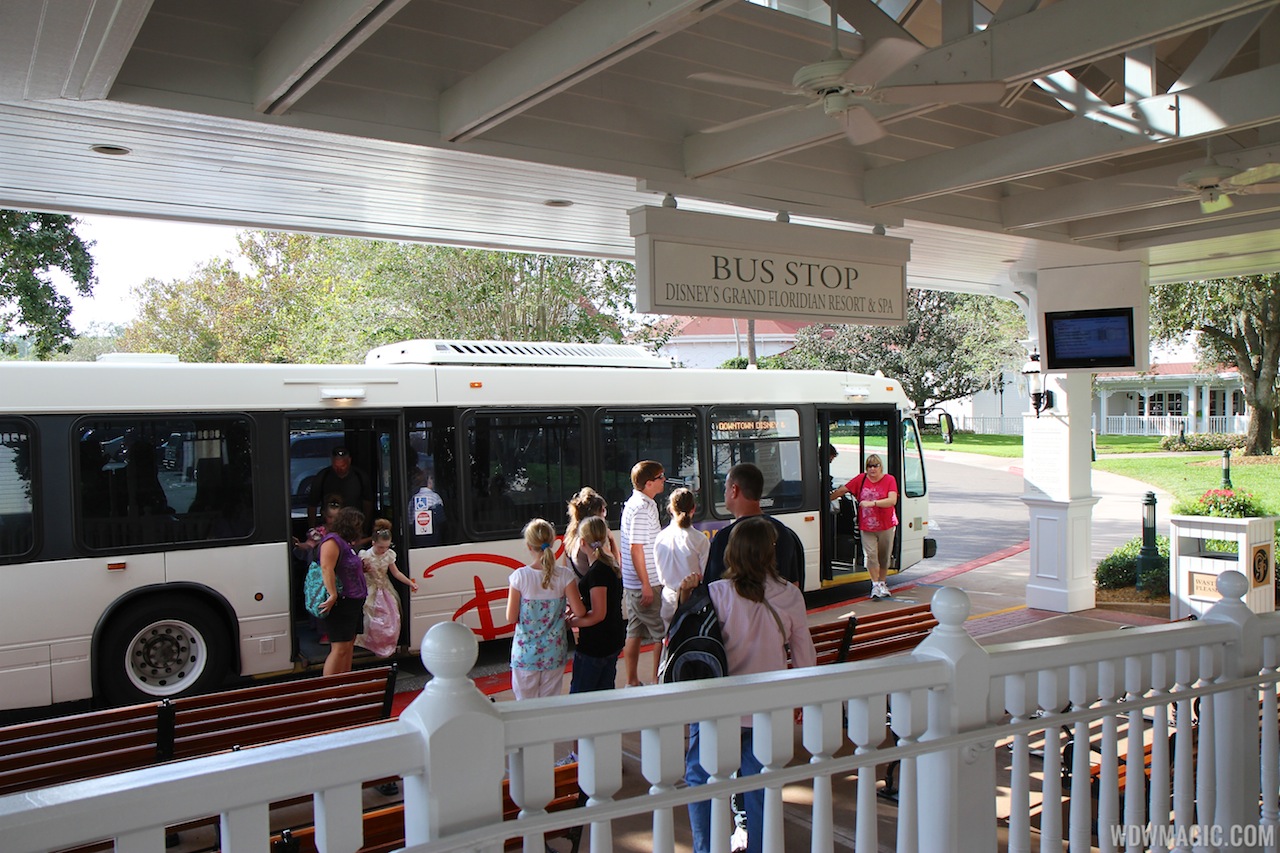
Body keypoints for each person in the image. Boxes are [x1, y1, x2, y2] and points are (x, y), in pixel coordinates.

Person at [682, 516, 817, 853]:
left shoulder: (715, 593)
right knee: (760, 788)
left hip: (719, 710)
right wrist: (801, 701)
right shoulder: (790, 595)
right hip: (767, 711)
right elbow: (805, 658)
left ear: (732, 552)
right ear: (771, 552)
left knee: (703, 781)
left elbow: (687, 646)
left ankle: (707, 847)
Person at [506, 518, 586, 699]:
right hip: (554, 654)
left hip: (525, 656)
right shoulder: (564, 576)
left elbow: (511, 618)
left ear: (528, 546)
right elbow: (580, 612)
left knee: (525, 707)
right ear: (552, 542)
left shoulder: (520, 577)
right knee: (550, 704)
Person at [703, 463, 803, 587]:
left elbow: (713, 590)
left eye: (726, 488)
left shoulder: (725, 537)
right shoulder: (783, 532)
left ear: (734, 490)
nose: (724, 493)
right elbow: (794, 584)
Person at [565, 515, 626, 693]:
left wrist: (572, 622)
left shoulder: (597, 572)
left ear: (582, 542)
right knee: (605, 693)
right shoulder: (610, 565)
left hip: (596, 644)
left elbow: (598, 614)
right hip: (612, 639)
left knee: (582, 696)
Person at [620, 460, 666, 687]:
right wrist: (646, 584)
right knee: (662, 633)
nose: (664, 480)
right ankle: (658, 681)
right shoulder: (642, 508)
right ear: (649, 483)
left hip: (633, 583)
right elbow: (636, 547)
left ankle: (632, 681)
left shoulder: (635, 503)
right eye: (660, 477)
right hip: (644, 583)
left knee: (634, 630)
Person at [829, 453, 898, 600]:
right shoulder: (861, 479)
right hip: (866, 526)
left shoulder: (889, 480)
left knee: (884, 556)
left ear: (881, 467)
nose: (872, 469)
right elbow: (843, 490)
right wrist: (824, 499)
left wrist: (872, 503)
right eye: (869, 466)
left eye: (875, 466)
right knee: (870, 555)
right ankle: (875, 585)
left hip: (886, 525)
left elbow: (892, 501)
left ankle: (882, 582)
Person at [315, 507, 369, 676]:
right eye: (357, 525)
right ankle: (330, 690)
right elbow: (326, 568)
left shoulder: (345, 543)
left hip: (353, 600)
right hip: (342, 602)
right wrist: (332, 594)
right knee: (339, 648)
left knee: (348, 645)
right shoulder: (332, 541)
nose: (359, 529)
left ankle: (344, 684)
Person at [356, 518, 418, 658]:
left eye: (386, 547)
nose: (383, 550)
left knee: (392, 614)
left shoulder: (388, 555)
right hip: (369, 588)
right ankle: (372, 643)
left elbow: (396, 573)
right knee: (371, 615)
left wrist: (410, 582)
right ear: (373, 543)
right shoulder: (365, 555)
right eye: (380, 547)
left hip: (384, 588)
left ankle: (386, 645)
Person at [653, 487, 709, 630]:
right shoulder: (700, 540)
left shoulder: (661, 538)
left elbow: (660, 575)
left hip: (668, 599)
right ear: (694, 509)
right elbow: (706, 575)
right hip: (693, 602)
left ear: (670, 508)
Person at [307, 446, 373, 530]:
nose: (339, 470)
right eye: (336, 466)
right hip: (330, 527)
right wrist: (312, 529)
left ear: (349, 461)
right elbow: (312, 505)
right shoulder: (323, 476)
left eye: (343, 466)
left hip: (353, 527)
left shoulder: (360, 477)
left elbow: (368, 503)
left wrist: (365, 527)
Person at [563, 487, 621, 577]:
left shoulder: (571, 536)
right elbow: (615, 566)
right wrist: (611, 538)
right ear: (600, 512)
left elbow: (565, 568)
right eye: (604, 510)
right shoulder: (593, 538)